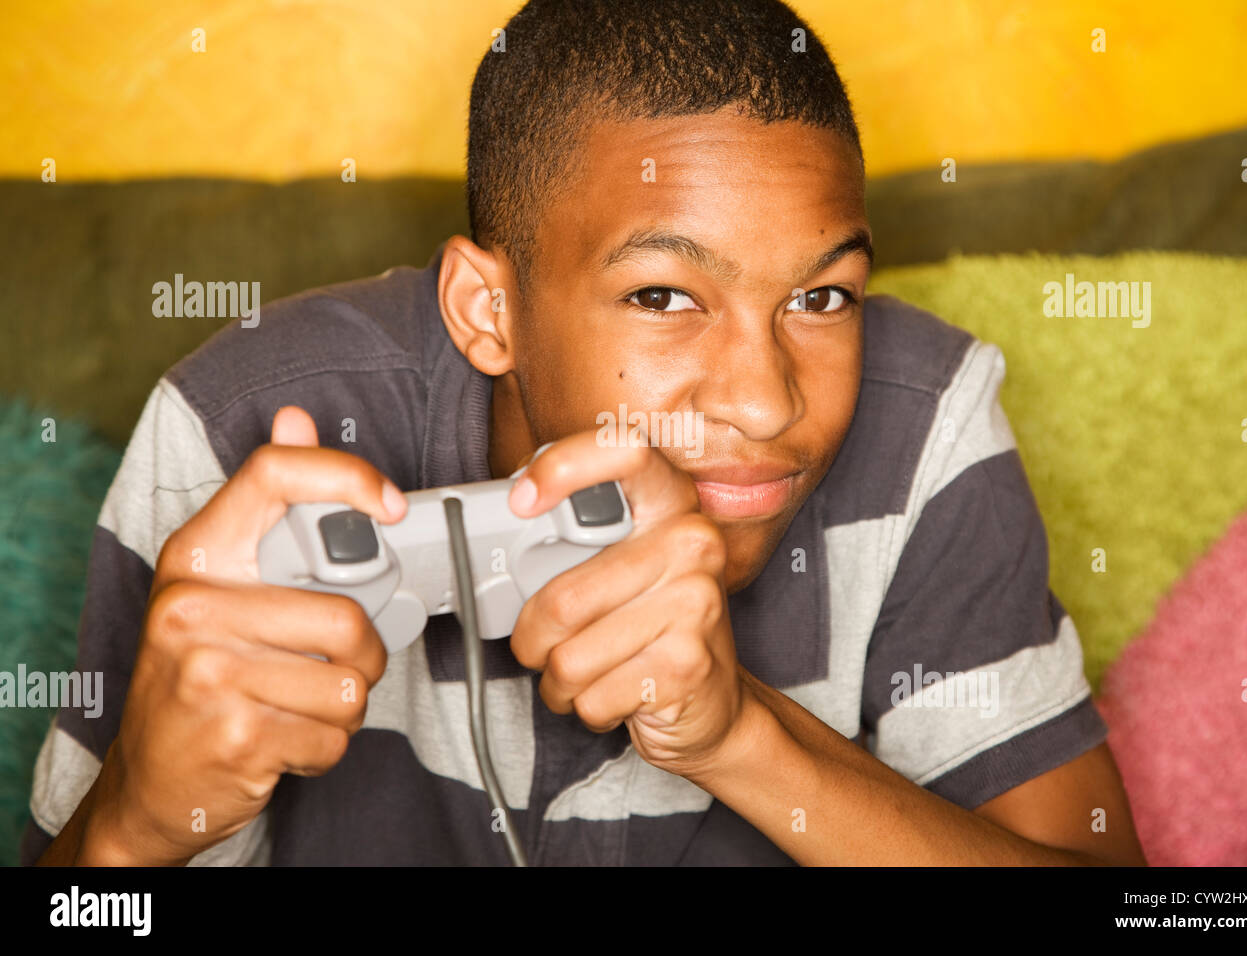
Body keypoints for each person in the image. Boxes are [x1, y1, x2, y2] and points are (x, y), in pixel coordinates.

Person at [25, 0, 1145, 866]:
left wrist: (734, 734)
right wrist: (133, 827)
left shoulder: (925, 416)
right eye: (663, 297)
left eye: (821, 297)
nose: (764, 403)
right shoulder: (241, 436)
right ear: (488, 310)